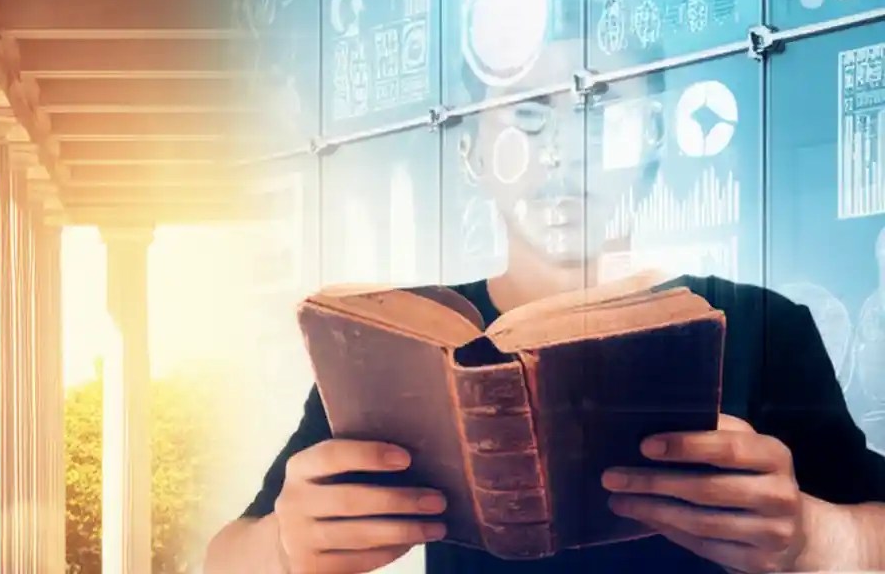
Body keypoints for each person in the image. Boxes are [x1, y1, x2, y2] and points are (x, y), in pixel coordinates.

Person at [203, 33, 885, 573]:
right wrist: (286, 551)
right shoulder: (398, 343)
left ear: (650, 144)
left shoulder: (764, 328)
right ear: (472, 152)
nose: (565, 152)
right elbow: (223, 559)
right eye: (529, 116)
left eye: (600, 108)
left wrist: (818, 540)